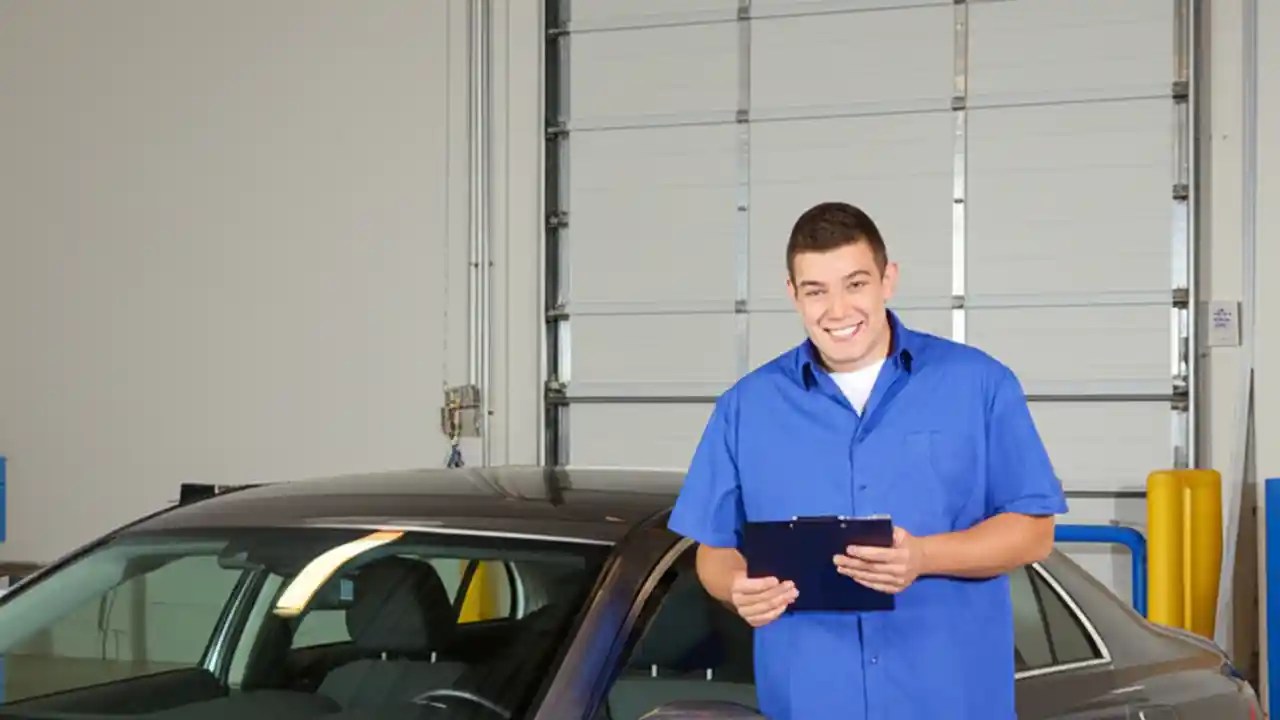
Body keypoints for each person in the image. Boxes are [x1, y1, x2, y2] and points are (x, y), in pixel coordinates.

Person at [667, 201, 1068, 720]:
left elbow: (1034, 532)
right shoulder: (746, 409)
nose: (837, 310)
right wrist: (736, 589)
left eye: (855, 284)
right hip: (810, 704)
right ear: (793, 295)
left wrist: (923, 557)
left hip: (951, 703)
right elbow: (715, 550)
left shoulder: (979, 385)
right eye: (816, 291)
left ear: (888, 279)